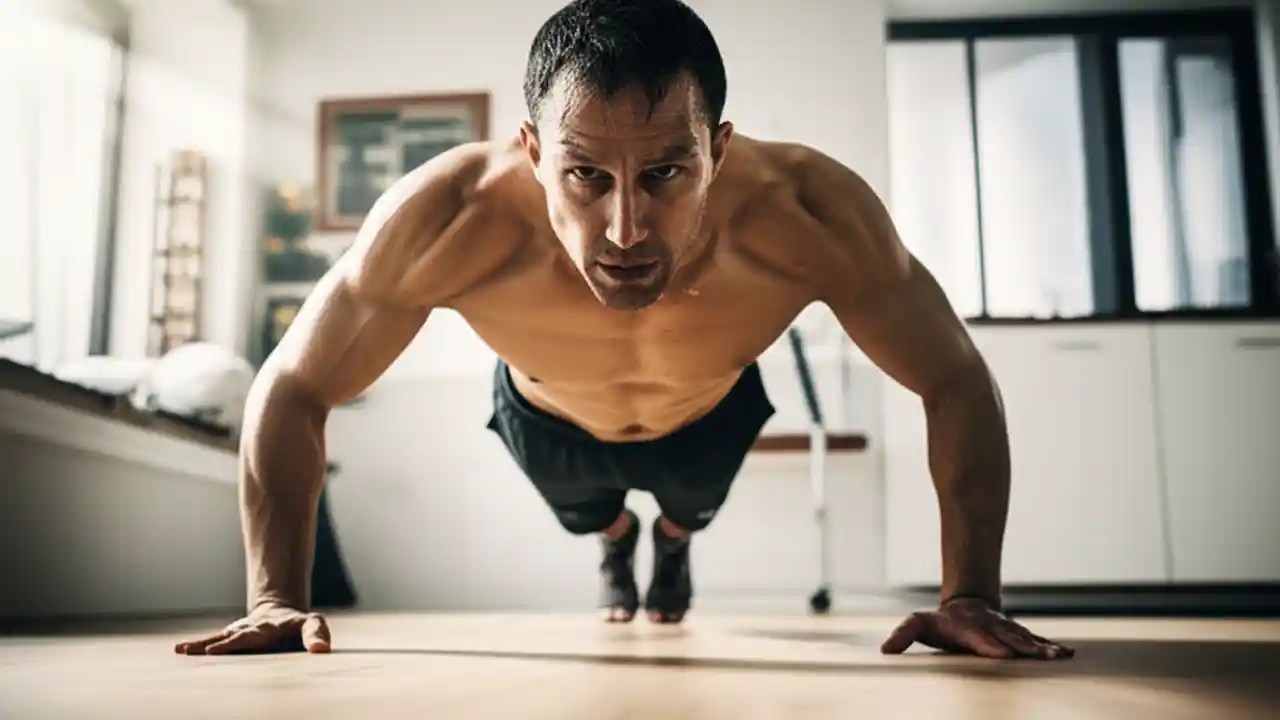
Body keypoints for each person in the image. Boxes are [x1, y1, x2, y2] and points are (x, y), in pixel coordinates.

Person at [175, 0, 1074, 661]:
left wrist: (969, 595)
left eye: (669, 171)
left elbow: (954, 377)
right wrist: (274, 599)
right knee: (594, 519)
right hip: (544, 418)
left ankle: (671, 546)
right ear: (533, 153)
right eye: (586, 176)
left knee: (684, 512)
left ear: (719, 149)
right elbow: (294, 385)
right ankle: (615, 541)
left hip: (710, 417)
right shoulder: (448, 220)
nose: (627, 228)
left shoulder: (810, 215)